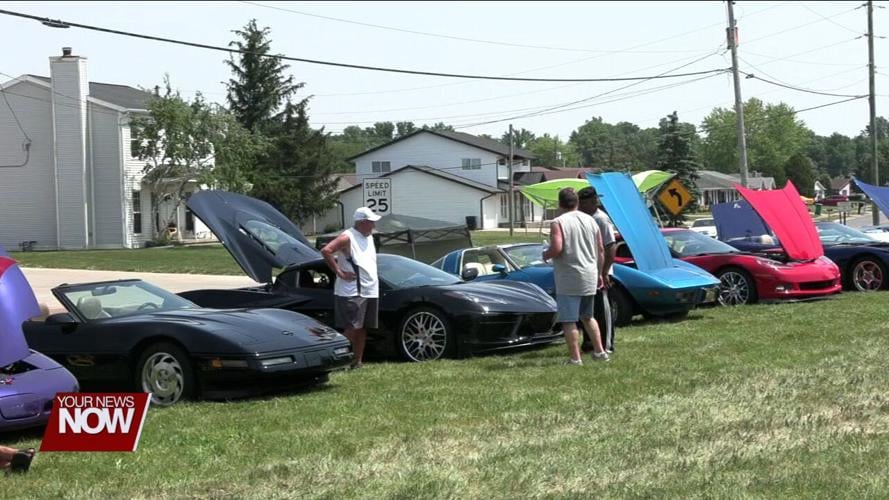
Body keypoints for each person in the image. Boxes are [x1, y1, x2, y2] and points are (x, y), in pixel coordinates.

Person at [542, 188, 609, 365]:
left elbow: (557, 247)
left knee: (569, 319)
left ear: (560, 203)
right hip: (590, 273)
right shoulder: (591, 220)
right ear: (577, 202)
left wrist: (546, 254)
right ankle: (600, 352)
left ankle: (575, 358)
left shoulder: (558, 222)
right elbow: (601, 249)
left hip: (569, 275)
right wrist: (600, 272)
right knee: (588, 316)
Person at [320, 207, 381, 369]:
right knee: (352, 327)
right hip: (353, 290)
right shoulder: (347, 237)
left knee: (362, 327)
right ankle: (331, 359)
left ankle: (357, 361)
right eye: (370, 222)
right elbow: (326, 250)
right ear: (362, 222)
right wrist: (339, 272)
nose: (373, 225)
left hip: (369, 289)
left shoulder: (369, 238)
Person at [578, 186, 617, 354]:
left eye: (584, 203)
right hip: (587, 271)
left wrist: (605, 271)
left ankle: (607, 344)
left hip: (601, 271)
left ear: (593, 202)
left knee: (602, 310)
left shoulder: (601, 219)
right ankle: (589, 342)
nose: (580, 206)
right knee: (588, 310)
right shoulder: (583, 218)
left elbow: (610, 246)